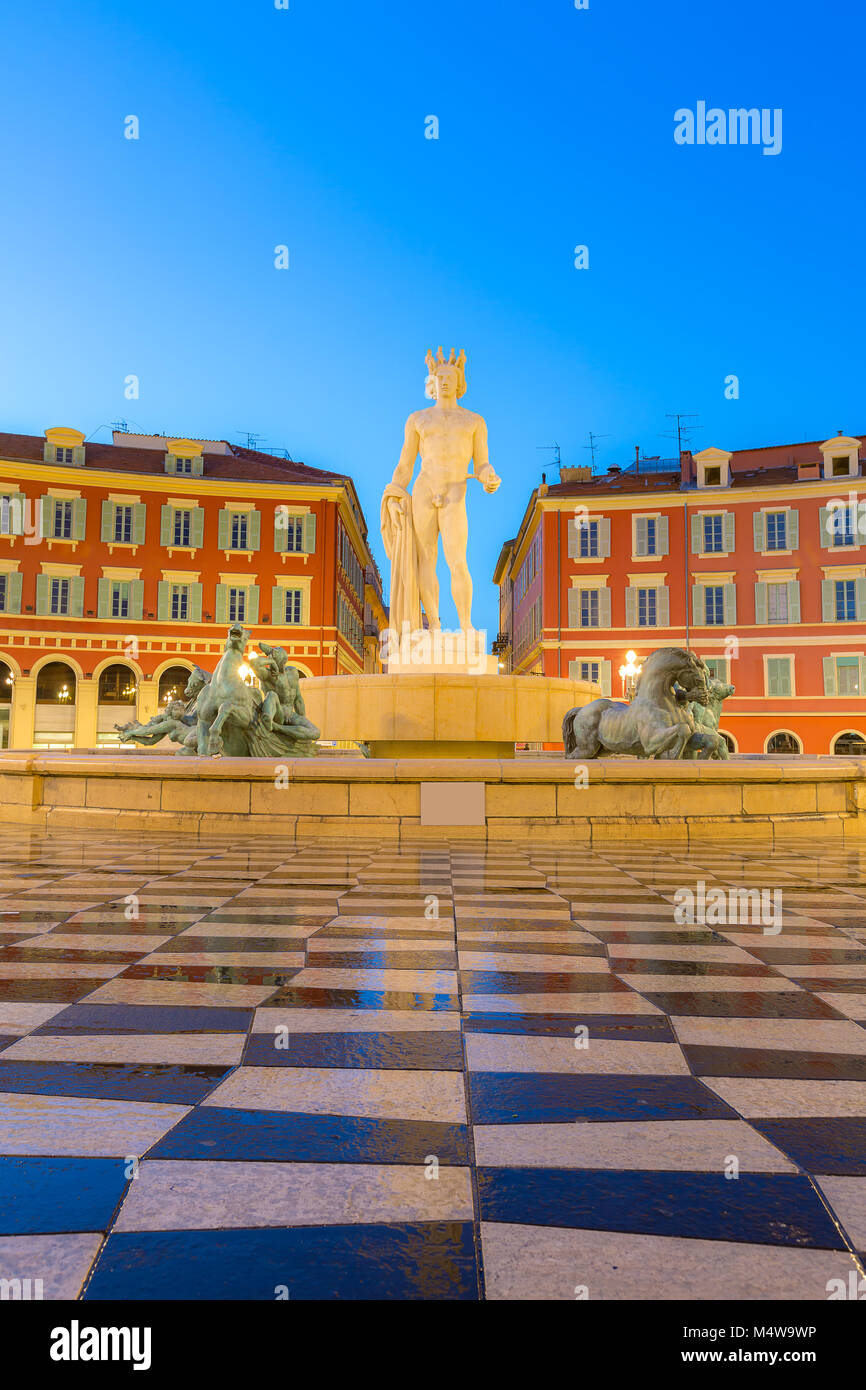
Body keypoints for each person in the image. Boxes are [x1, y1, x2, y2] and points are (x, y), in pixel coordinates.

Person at [380, 347, 500, 635]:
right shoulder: (417, 419)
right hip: (424, 490)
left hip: (455, 492)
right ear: (432, 384)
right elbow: (404, 466)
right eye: (440, 376)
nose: (445, 381)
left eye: (451, 376)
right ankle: (433, 623)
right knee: (425, 559)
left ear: (459, 382)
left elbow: (482, 463)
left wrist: (489, 477)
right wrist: (395, 495)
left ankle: (466, 624)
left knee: (458, 560)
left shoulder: (474, 421)